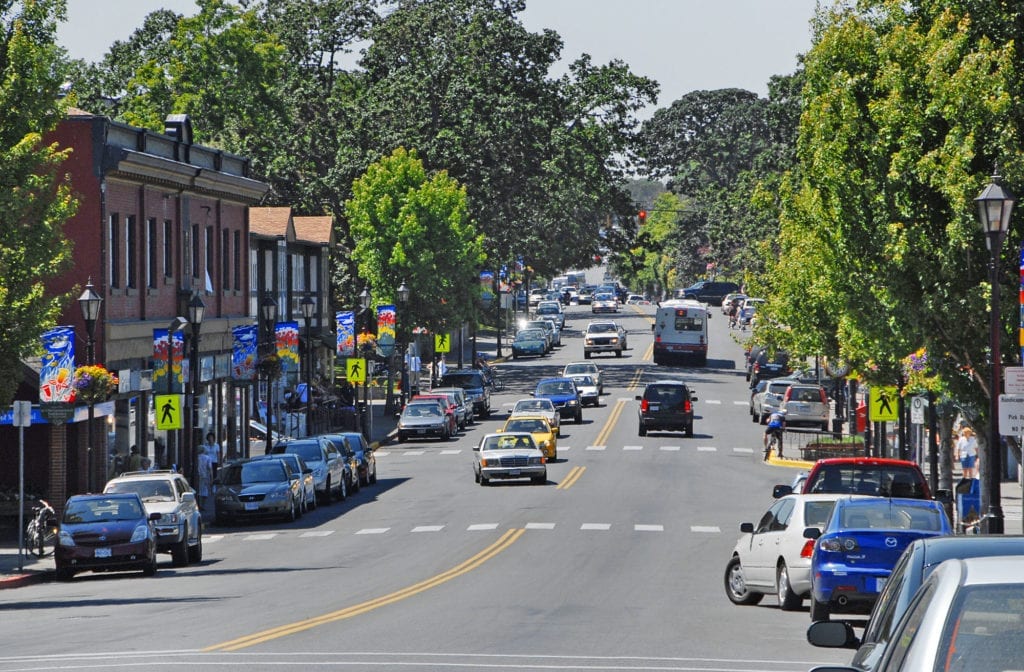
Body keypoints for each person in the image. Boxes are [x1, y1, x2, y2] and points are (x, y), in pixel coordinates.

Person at [196, 445, 213, 512]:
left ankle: (198, 504)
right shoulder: (208, 458)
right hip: (205, 476)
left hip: (197, 476)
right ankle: (202, 505)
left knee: (198, 491)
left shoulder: (196, 458)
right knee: (205, 491)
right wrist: (211, 478)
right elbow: (210, 469)